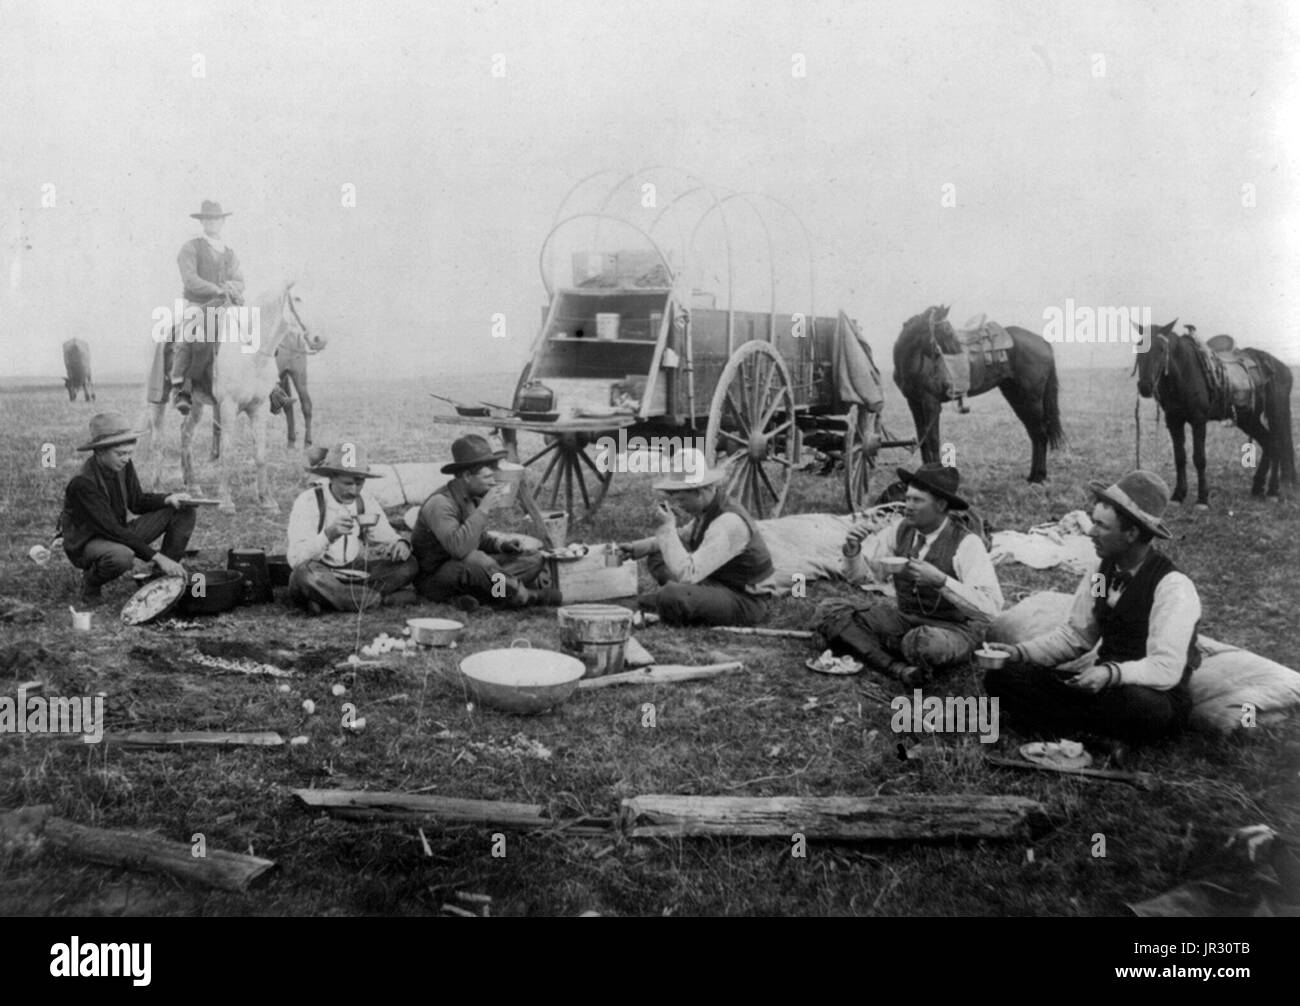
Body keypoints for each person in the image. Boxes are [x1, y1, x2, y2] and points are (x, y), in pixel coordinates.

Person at [983, 470, 1201, 747]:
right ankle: (1095, 735)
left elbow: (1165, 668)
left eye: (1101, 526)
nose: (1090, 532)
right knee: (1003, 676)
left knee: (1143, 707)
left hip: (1150, 693)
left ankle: (1065, 726)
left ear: (1132, 533)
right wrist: (1020, 653)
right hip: (1100, 688)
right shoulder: (1100, 574)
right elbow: (1077, 637)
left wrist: (1111, 674)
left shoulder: (1171, 587)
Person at [813, 463, 1003, 686]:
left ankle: (855, 641)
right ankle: (898, 668)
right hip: (904, 619)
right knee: (828, 610)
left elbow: (991, 609)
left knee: (924, 644)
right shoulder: (901, 529)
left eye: (917, 500)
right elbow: (865, 577)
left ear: (941, 505)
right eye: (907, 498)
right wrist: (853, 550)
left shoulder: (967, 543)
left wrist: (941, 581)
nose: (907, 506)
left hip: (951, 629)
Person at [60, 413, 196, 606]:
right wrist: (159, 557)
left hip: (118, 532)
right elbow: (110, 529)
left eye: (130, 453)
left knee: (183, 510)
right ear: (99, 452)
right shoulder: (83, 483)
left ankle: (160, 579)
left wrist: (167, 498)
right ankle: (90, 582)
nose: (126, 459)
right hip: (87, 542)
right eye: (120, 454)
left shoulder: (122, 466)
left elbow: (137, 502)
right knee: (122, 556)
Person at [411, 435, 560, 608]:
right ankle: (522, 596)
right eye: (487, 477)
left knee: (533, 559)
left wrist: (501, 545)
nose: (493, 482)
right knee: (479, 561)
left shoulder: (471, 496)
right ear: (467, 476)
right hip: (436, 576)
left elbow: (477, 539)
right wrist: (484, 509)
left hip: (470, 570)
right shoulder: (440, 504)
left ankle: (480, 596)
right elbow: (459, 548)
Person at [617, 466, 776, 626]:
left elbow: (689, 574)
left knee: (671, 594)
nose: (679, 505)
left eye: (681, 499)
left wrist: (667, 527)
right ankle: (676, 601)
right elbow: (684, 534)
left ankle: (670, 604)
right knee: (658, 555)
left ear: (698, 492)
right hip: (717, 582)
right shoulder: (709, 509)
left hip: (745, 599)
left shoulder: (728, 522)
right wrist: (637, 548)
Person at [286, 442, 418, 614]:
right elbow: (296, 559)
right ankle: (380, 600)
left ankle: (329, 600)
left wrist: (400, 544)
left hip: (353, 573)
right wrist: (328, 535)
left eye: (359, 483)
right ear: (331, 477)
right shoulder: (309, 501)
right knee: (304, 575)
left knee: (409, 565)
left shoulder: (365, 500)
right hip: (321, 571)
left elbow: (387, 535)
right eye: (347, 483)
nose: (354, 490)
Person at [170, 200, 245, 414]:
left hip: (225, 304)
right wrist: (216, 289)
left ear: (222, 222)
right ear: (202, 221)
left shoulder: (229, 252)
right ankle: (182, 387)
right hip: (198, 303)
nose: (212, 223)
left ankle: (271, 387)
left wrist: (232, 286)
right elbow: (190, 279)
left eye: (216, 219)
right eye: (208, 219)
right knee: (190, 336)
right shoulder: (191, 247)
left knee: (253, 330)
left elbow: (240, 279)